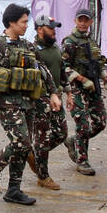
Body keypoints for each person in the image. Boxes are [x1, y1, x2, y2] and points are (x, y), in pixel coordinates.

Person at [0, 3, 59, 205]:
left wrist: (54, 93)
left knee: (23, 148)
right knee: (21, 143)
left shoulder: (27, 46)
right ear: (11, 22)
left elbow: (43, 71)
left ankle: (14, 189)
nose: (26, 25)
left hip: (27, 103)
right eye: (23, 22)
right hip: (7, 103)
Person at [61, 6, 107, 175]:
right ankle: (82, 161)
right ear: (75, 21)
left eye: (85, 20)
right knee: (83, 124)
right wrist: (81, 79)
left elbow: (99, 64)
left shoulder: (92, 42)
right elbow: (63, 67)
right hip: (77, 89)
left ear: (91, 22)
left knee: (100, 122)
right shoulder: (69, 42)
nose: (82, 23)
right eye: (80, 20)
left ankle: (73, 141)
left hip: (93, 88)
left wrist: (105, 80)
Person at [27, 13, 68, 190]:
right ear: (40, 29)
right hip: (39, 100)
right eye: (50, 29)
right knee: (42, 138)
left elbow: (62, 72)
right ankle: (43, 176)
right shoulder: (32, 50)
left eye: (54, 29)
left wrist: (69, 93)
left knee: (61, 133)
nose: (53, 32)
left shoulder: (56, 49)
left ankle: (35, 155)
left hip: (56, 98)